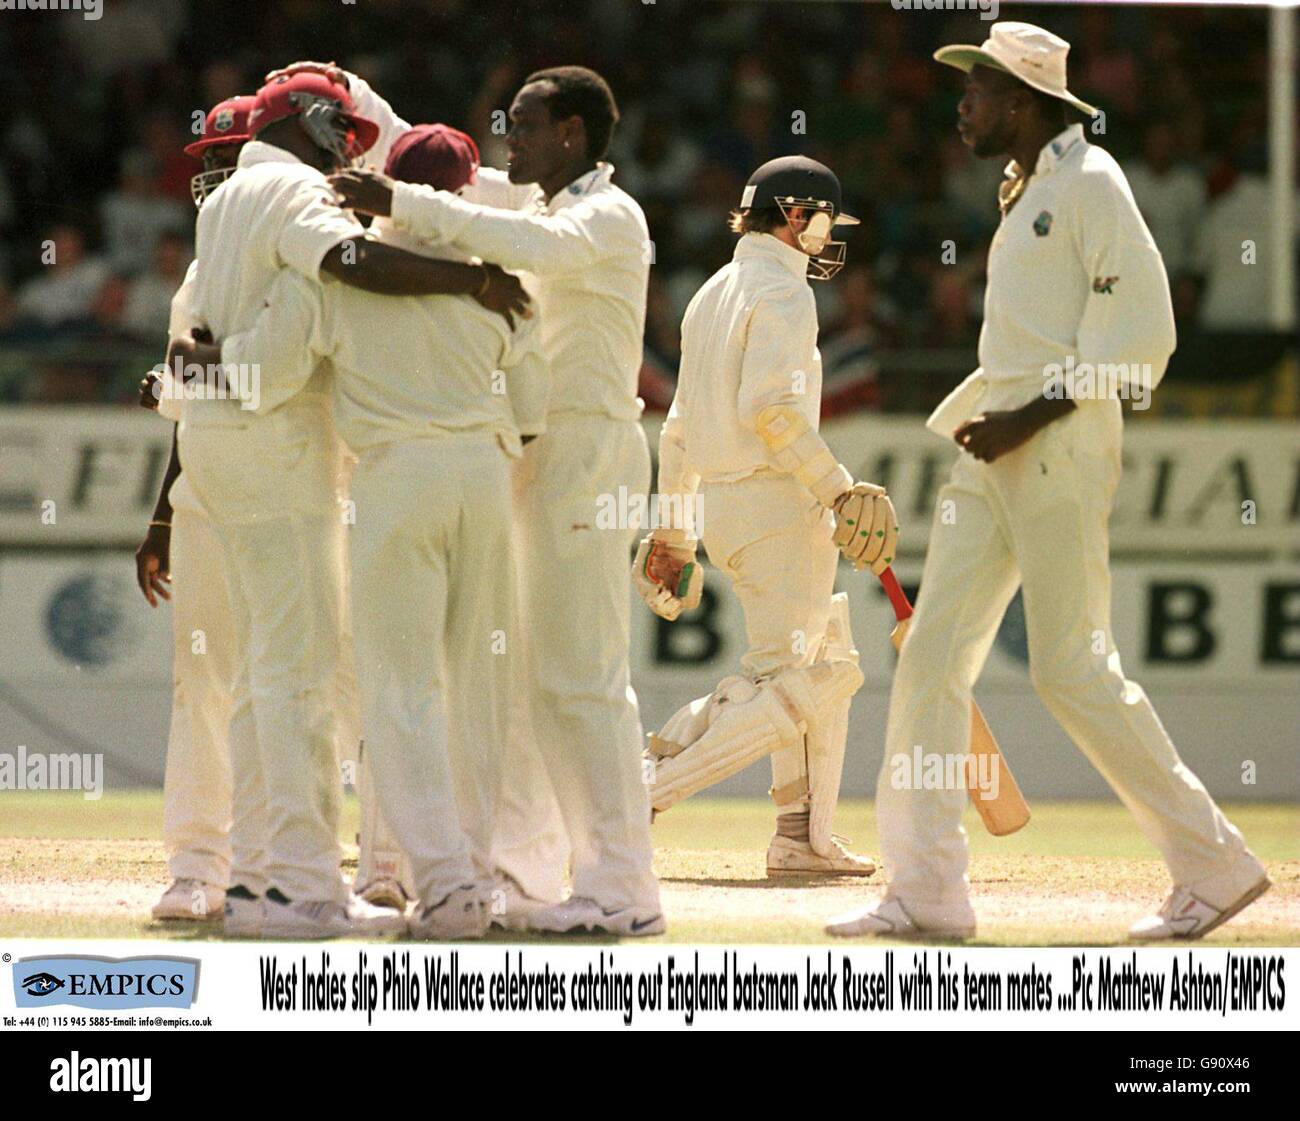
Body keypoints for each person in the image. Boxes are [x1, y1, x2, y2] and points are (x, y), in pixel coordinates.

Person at [827, 21, 1268, 940]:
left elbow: (1147, 334)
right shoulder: (1027, 183)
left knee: (1072, 668)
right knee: (932, 654)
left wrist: (1030, 415)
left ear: (1024, 100)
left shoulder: (1093, 183)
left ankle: (1213, 864)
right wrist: (1002, 418)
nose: (963, 105)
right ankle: (928, 889)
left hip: (1056, 446)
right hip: (995, 447)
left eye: (978, 91)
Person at [172, 70, 528, 939]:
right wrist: (470, 282)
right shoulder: (292, 189)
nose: (348, 155)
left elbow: (222, 345)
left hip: (221, 452)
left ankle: (259, 878)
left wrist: (207, 366)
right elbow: (348, 265)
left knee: (266, 674)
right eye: (344, 136)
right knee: (298, 675)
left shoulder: (225, 202)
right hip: (276, 453)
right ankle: (299, 890)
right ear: (317, 123)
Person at [332, 65, 664, 936]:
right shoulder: (541, 204)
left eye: (523, 124)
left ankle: (625, 890)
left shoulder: (605, 216)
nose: (509, 138)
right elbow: (431, 161)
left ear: (574, 136)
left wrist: (398, 207)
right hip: (540, 454)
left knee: (584, 679)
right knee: (532, 685)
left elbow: (511, 240)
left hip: (589, 449)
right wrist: (353, 95)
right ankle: (536, 874)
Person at [634, 156, 897, 876]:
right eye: (821, 222)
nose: (825, 239)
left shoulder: (712, 290)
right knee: (804, 681)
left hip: (725, 507)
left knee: (815, 662)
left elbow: (680, 425)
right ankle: (641, 792)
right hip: (776, 506)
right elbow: (772, 410)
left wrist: (677, 531)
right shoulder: (784, 289)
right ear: (795, 215)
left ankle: (800, 836)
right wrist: (838, 488)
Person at [135, 96, 254, 925]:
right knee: (204, 681)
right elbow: (191, 404)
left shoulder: (311, 246)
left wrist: (211, 375)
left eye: (229, 157)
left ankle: (306, 861)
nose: (211, 175)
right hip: (211, 496)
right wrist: (162, 517)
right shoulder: (200, 267)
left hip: (320, 495)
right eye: (208, 161)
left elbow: (243, 379)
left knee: (316, 687)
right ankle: (197, 862)